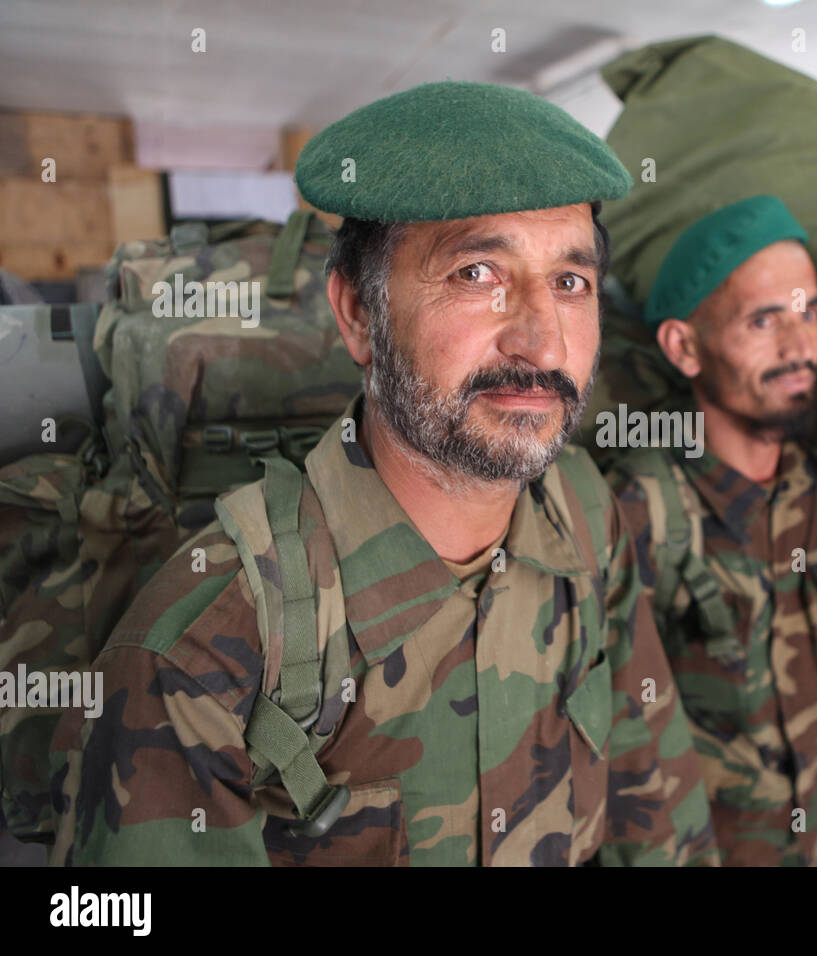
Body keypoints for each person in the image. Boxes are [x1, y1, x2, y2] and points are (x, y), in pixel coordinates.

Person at [48, 81, 716, 866]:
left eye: (570, 282)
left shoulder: (583, 508)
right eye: (476, 273)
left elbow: (658, 805)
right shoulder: (206, 653)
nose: (540, 340)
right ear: (359, 316)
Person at [603, 196, 817, 865]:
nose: (800, 345)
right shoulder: (640, 507)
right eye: (764, 320)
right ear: (685, 346)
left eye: (810, 311)